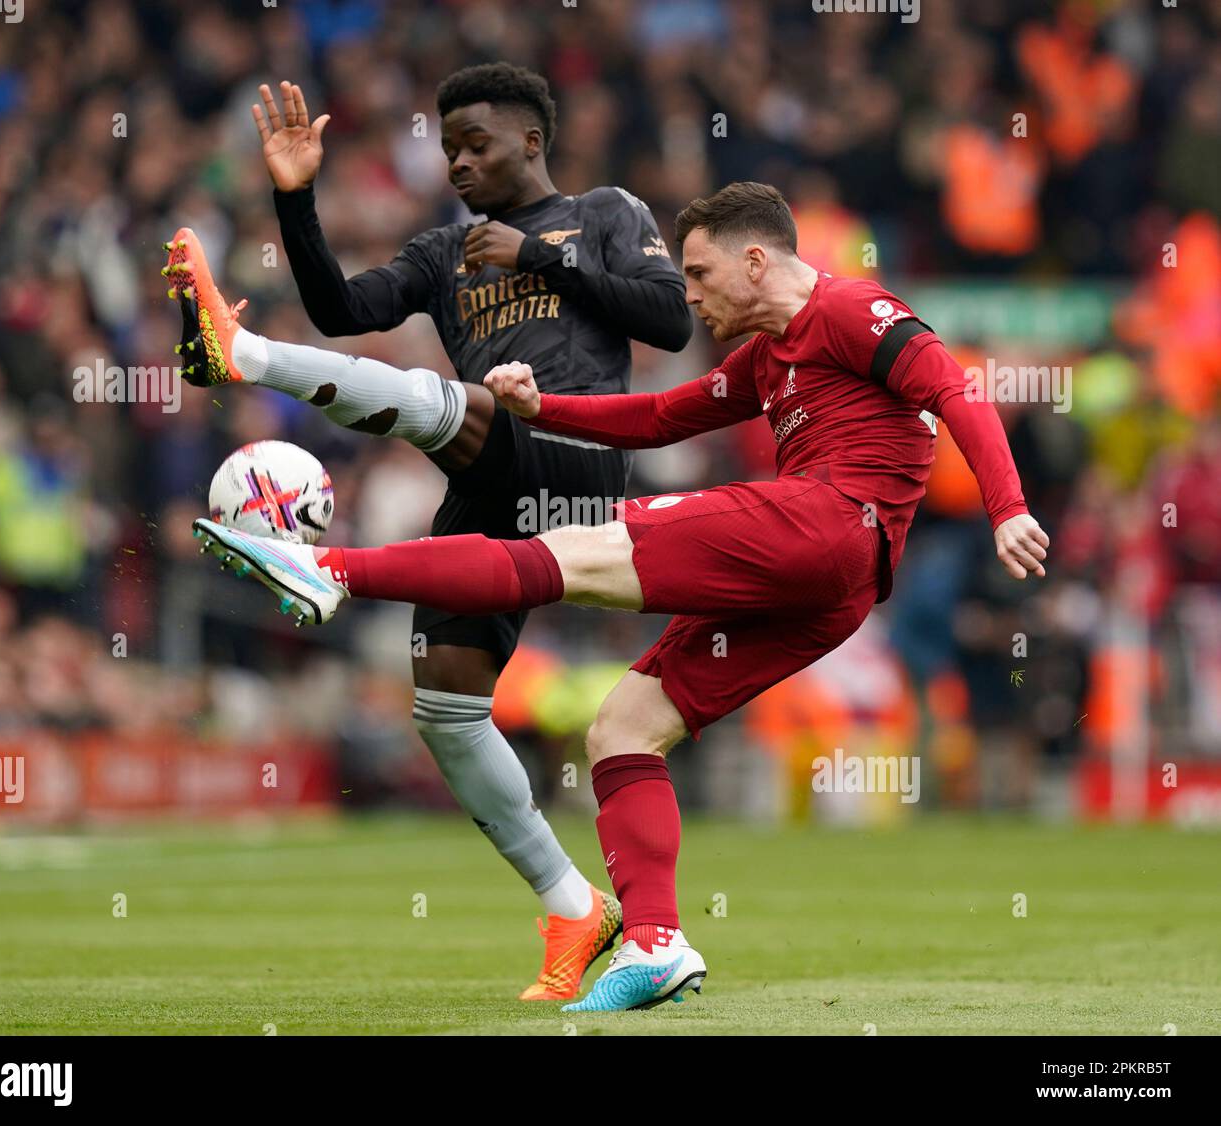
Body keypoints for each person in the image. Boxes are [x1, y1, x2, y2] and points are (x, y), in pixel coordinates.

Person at [186, 181, 1051, 1012]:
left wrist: (1006, 508)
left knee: (557, 553)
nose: (690, 297)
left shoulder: (852, 309)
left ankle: (329, 572)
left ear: (758, 261)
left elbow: (956, 390)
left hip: (826, 524)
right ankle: (655, 941)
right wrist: (537, 406)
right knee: (622, 729)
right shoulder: (767, 357)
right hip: (834, 587)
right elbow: (662, 417)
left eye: (701, 275)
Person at [163, 63, 691, 1002]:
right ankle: (575, 907)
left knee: (442, 404)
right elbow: (340, 309)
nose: (457, 163)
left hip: (574, 455)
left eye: (476, 144)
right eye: (447, 147)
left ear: (532, 140)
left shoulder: (606, 211)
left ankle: (238, 354)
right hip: (491, 490)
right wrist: (296, 197)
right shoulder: (442, 251)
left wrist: (539, 260)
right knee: (445, 711)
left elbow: (670, 318)